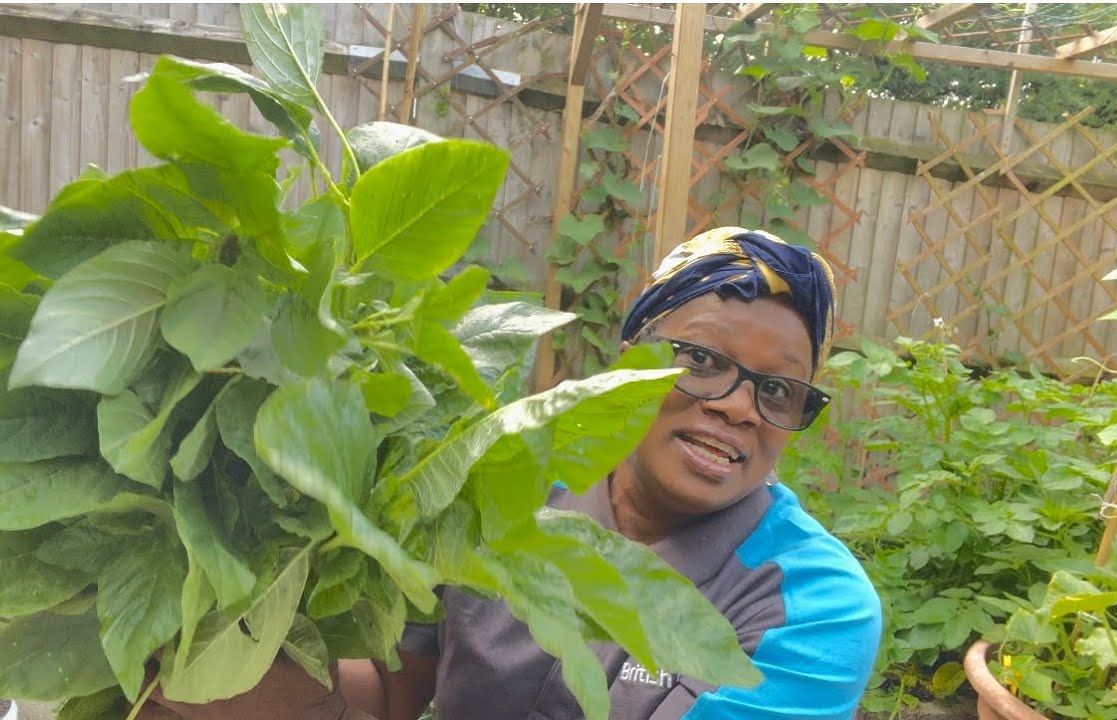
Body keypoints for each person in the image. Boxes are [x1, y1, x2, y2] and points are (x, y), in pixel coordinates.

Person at [142, 227, 883, 720]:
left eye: (778, 389)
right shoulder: (502, 483)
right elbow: (397, 686)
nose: (738, 407)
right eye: (701, 360)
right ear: (629, 358)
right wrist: (215, 672)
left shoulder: (815, 605)